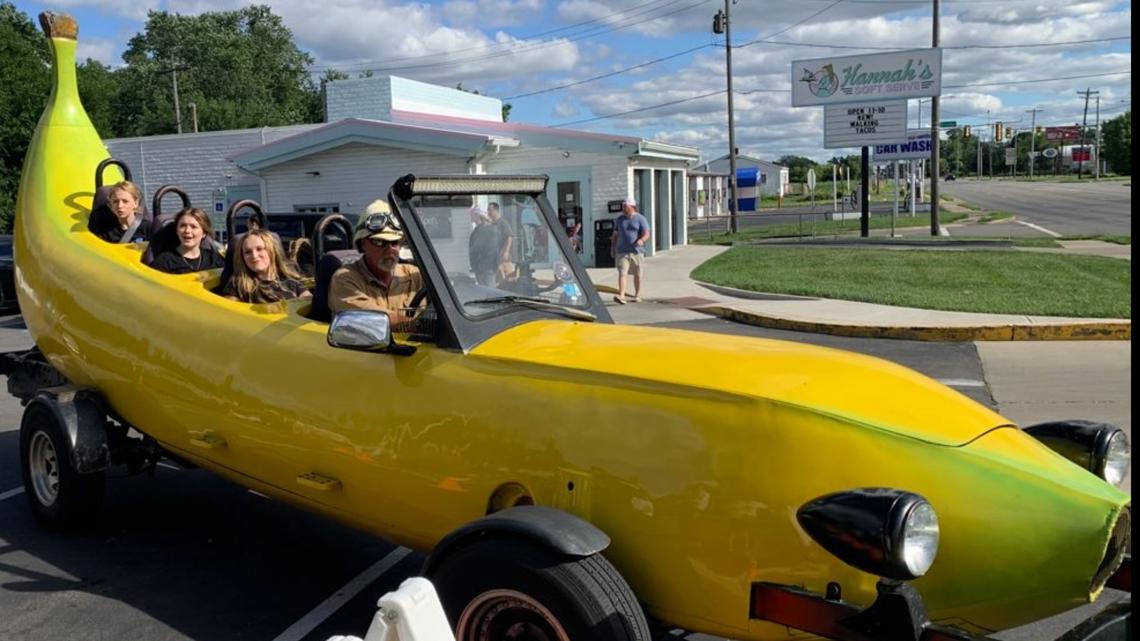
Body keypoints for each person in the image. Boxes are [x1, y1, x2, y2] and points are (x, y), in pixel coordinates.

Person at [328, 200, 423, 330]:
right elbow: (380, 322)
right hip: (364, 349)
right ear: (362, 244)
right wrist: (425, 325)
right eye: (379, 242)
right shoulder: (344, 280)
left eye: (394, 242)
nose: (390, 251)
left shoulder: (414, 275)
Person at [223, 228, 309, 303]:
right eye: (248, 252)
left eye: (259, 249)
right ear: (242, 257)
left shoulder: (291, 280)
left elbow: (308, 305)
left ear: (272, 250)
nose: (254, 256)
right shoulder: (237, 285)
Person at [150, 208, 224, 274]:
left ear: (204, 233)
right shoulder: (163, 262)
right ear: (176, 230)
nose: (187, 230)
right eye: (183, 226)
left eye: (193, 227)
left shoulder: (214, 259)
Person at [610, 198, 649, 304]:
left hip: (637, 251)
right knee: (622, 273)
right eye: (623, 206)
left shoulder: (641, 219)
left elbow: (646, 233)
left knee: (638, 274)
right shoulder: (619, 219)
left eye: (626, 206)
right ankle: (622, 296)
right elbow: (615, 235)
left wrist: (641, 240)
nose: (624, 208)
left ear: (632, 207)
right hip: (622, 251)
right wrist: (612, 248)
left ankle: (637, 295)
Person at [468, 208, 500, 286]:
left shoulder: (485, 229)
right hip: (481, 266)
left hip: (486, 266)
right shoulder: (479, 229)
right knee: (483, 290)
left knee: (489, 291)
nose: (470, 217)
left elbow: (478, 247)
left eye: (471, 214)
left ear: (477, 216)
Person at [486, 202, 514, 282]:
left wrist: (506, 251)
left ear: (495, 210)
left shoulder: (503, 222)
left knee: (509, 276)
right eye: (488, 210)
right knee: (500, 277)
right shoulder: (492, 224)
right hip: (496, 256)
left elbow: (509, 236)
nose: (488, 212)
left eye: (490, 210)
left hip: (503, 254)